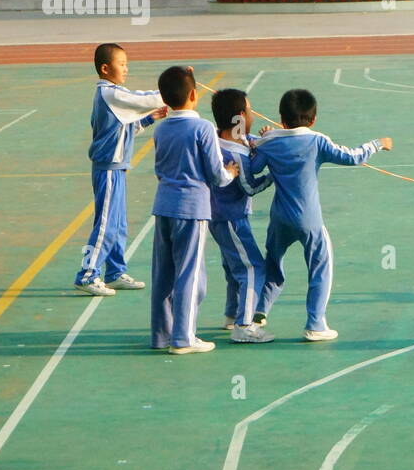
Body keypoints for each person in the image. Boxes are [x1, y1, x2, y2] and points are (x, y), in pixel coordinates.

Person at [247, 89, 391, 342]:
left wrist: (259, 142)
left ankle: (259, 313)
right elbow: (351, 157)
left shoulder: (269, 142)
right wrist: (377, 144)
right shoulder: (317, 140)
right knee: (320, 267)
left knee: (272, 265)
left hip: (279, 217)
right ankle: (315, 323)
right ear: (312, 119)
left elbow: (254, 166)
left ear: (281, 117)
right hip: (308, 219)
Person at [149, 66, 239, 355]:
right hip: (191, 207)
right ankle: (184, 337)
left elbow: (159, 168)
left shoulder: (162, 128)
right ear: (193, 94)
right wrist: (231, 173)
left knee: (163, 273)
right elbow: (215, 174)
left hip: (163, 204)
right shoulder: (202, 128)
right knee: (189, 273)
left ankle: (161, 334)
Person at [75, 43, 166, 296]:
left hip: (118, 168)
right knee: (105, 225)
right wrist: (174, 88)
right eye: (121, 64)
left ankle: (114, 271)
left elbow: (127, 128)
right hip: (107, 169)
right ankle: (87, 274)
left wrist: (150, 118)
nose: (126, 68)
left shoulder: (114, 95)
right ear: (105, 68)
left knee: (119, 223)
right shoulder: (110, 94)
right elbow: (143, 99)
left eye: (127, 63)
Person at [209, 88, 274, 344]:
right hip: (231, 217)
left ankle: (231, 314)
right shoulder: (235, 154)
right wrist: (271, 177)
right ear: (239, 116)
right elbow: (249, 187)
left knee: (232, 266)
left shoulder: (221, 141)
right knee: (252, 267)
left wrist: (261, 142)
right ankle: (244, 324)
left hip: (217, 216)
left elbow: (247, 142)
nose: (253, 115)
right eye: (249, 111)